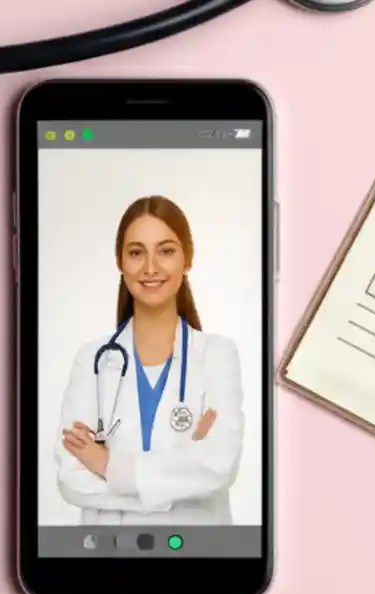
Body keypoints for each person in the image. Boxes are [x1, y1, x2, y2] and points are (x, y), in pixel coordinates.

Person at [54, 195, 244, 525]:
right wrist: (178, 480)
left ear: (188, 259)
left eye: (166, 251)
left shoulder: (217, 356)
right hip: (107, 561)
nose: (150, 267)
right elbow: (72, 479)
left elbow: (218, 466)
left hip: (199, 561)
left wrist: (106, 464)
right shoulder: (92, 361)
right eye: (136, 252)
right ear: (120, 261)